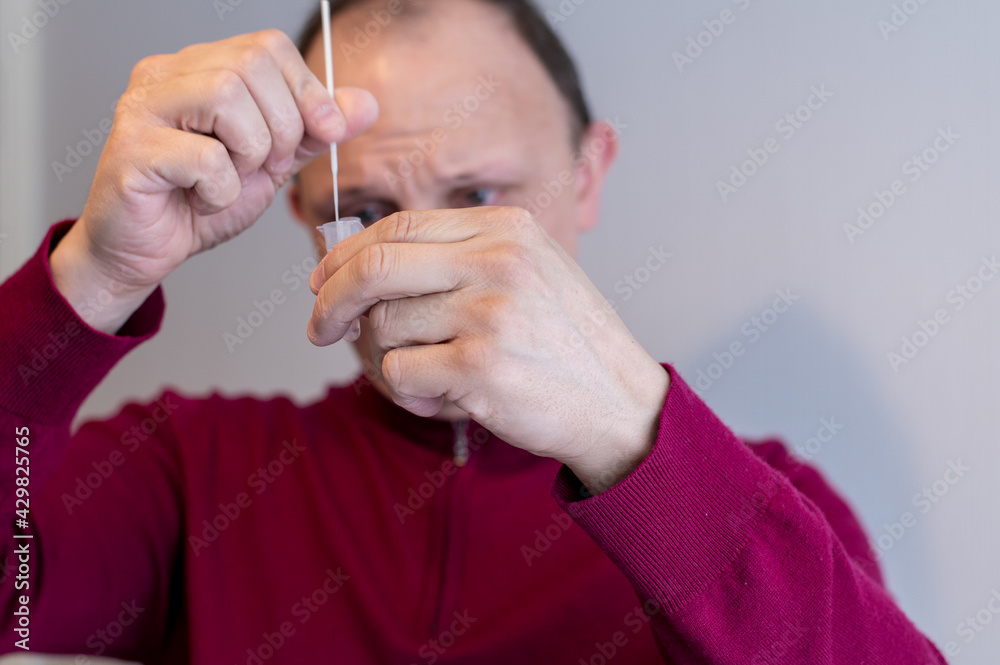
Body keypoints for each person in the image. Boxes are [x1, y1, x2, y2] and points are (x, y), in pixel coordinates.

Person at [0, 0, 945, 662]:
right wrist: (91, 277)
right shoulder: (196, 468)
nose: (418, 248)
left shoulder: (769, 504)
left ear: (587, 174)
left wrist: (637, 445)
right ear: (300, 210)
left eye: (480, 194)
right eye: (366, 204)